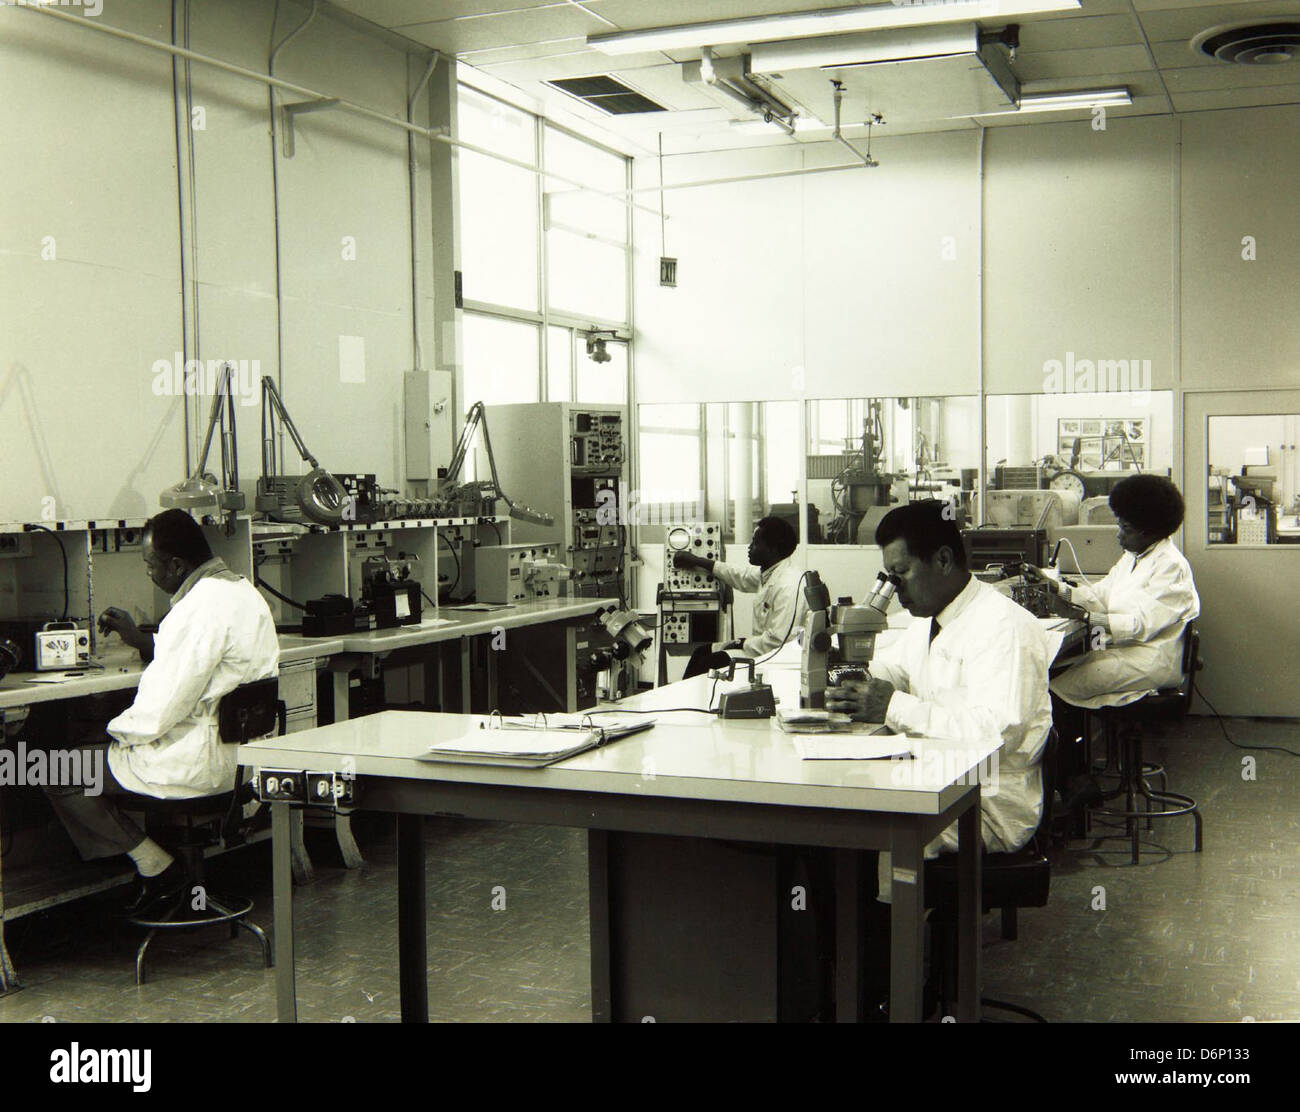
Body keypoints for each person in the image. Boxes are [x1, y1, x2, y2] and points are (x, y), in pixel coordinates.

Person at [44, 509, 279, 914]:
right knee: (90, 753)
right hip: (242, 762)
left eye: (150, 565)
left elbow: (158, 712)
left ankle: (156, 867)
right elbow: (205, 660)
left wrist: (108, 729)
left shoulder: (196, 609)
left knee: (50, 768)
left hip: (194, 765)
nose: (149, 574)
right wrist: (140, 639)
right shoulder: (243, 591)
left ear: (176, 564)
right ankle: (162, 868)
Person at [826, 500, 1054, 863]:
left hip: (988, 800)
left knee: (857, 829)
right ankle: (856, 917)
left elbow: (996, 733)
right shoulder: (928, 618)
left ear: (944, 560)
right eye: (889, 576)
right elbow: (897, 669)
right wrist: (856, 678)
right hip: (938, 776)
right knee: (836, 809)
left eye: (901, 572)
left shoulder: (1004, 627)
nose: (895, 588)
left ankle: (883, 918)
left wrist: (893, 706)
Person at [1022, 474, 1199, 808]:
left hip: (1148, 661)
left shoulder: (1170, 566)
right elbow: (1102, 594)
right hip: (1124, 654)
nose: (1119, 536)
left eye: (1125, 529)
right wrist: (1058, 588)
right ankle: (1072, 777)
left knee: (1052, 691)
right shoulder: (1136, 556)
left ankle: (1073, 780)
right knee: (1055, 679)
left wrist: (1086, 618)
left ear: (1150, 530)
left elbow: (1140, 625)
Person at [672, 515, 806, 677]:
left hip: (775, 657)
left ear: (772, 550)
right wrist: (698, 561)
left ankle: (694, 701)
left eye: (756, 543)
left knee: (706, 664)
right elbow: (740, 575)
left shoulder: (789, 586)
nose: (749, 547)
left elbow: (778, 642)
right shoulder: (771, 572)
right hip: (759, 647)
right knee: (700, 652)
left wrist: (742, 643)